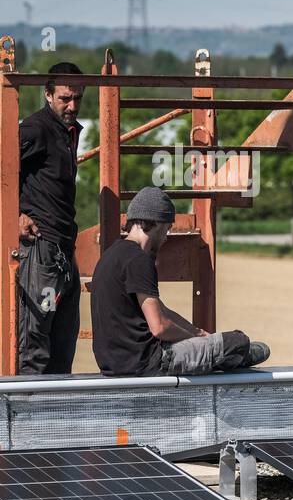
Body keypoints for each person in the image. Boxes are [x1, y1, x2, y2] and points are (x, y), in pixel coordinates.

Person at [91, 187, 270, 377]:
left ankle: (220, 356)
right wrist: (196, 338)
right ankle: (234, 354)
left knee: (212, 343)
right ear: (157, 223)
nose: (166, 237)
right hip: (147, 362)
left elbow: (161, 310)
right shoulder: (139, 260)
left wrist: (198, 332)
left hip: (115, 363)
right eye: (167, 228)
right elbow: (159, 327)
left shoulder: (112, 255)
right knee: (237, 342)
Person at [16, 62, 85, 374]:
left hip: (64, 252)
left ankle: (58, 418)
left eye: (78, 98)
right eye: (65, 98)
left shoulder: (68, 132)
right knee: (36, 340)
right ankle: (25, 418)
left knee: (63, 339)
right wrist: (13, 215)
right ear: (47, 94)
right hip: (42, 254)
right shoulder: (35, 129)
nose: (72, 106)